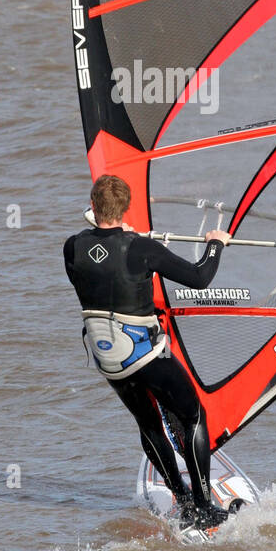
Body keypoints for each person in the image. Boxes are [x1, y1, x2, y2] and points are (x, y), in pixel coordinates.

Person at [64, 174, 233, 530]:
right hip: (144, 354)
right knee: (193, 416)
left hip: (108, 358)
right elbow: (200, 278)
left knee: (148, 422)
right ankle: (203, 506)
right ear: (126, 209)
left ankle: (183, 500)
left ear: (93, 206)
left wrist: (112, 231)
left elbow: (100, 268)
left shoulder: (72, 248)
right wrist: (215, 244)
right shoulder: (141, 248)